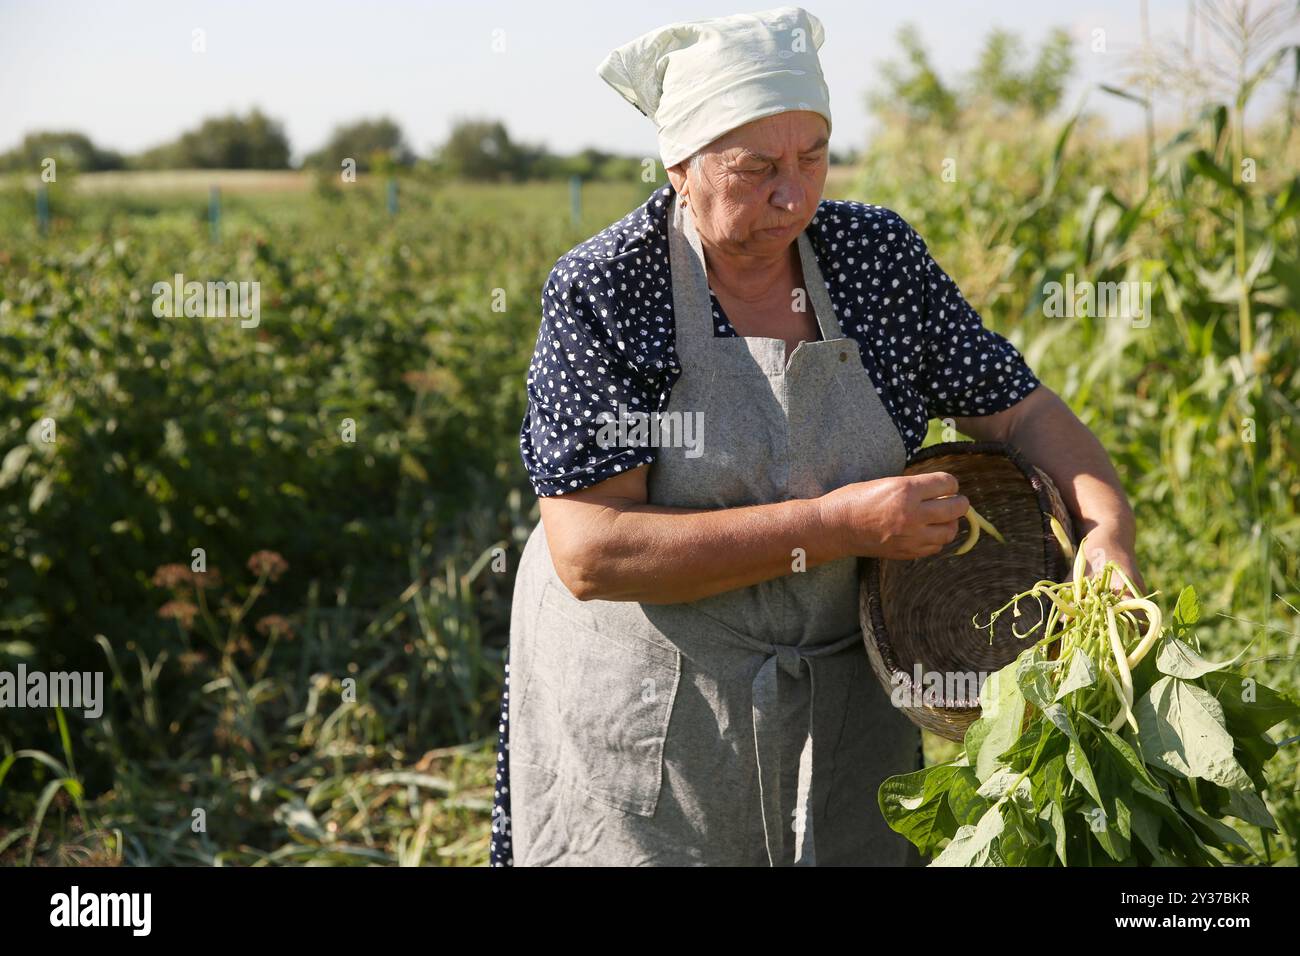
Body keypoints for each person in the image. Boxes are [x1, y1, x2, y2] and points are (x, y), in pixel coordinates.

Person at [490, 5, 1143, 867]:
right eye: (756, 168)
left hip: (841, 691)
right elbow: (591, 552)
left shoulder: (871, 258)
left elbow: (1020, 413)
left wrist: (1107, 532)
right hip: (656, 706)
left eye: (813, 158)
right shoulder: (612, 289)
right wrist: (838, 528)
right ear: (680, 165)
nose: (794, 196)